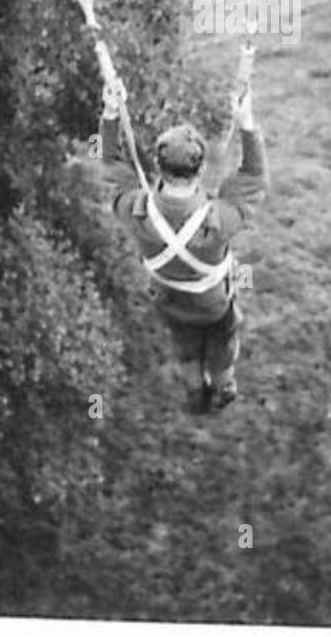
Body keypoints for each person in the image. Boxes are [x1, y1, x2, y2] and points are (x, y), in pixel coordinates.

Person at [99, 74, 267, 413]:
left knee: (183, 346)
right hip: (214, 304)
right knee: (223, 340)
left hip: (168, 300)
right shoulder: (220, 219)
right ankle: (222, 385)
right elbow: (253, 176)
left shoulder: (135, 210)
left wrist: (111, 113)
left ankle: (194, 390)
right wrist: (246, 124)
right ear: (202, 169)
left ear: (158, 168)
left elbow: (112, 165)